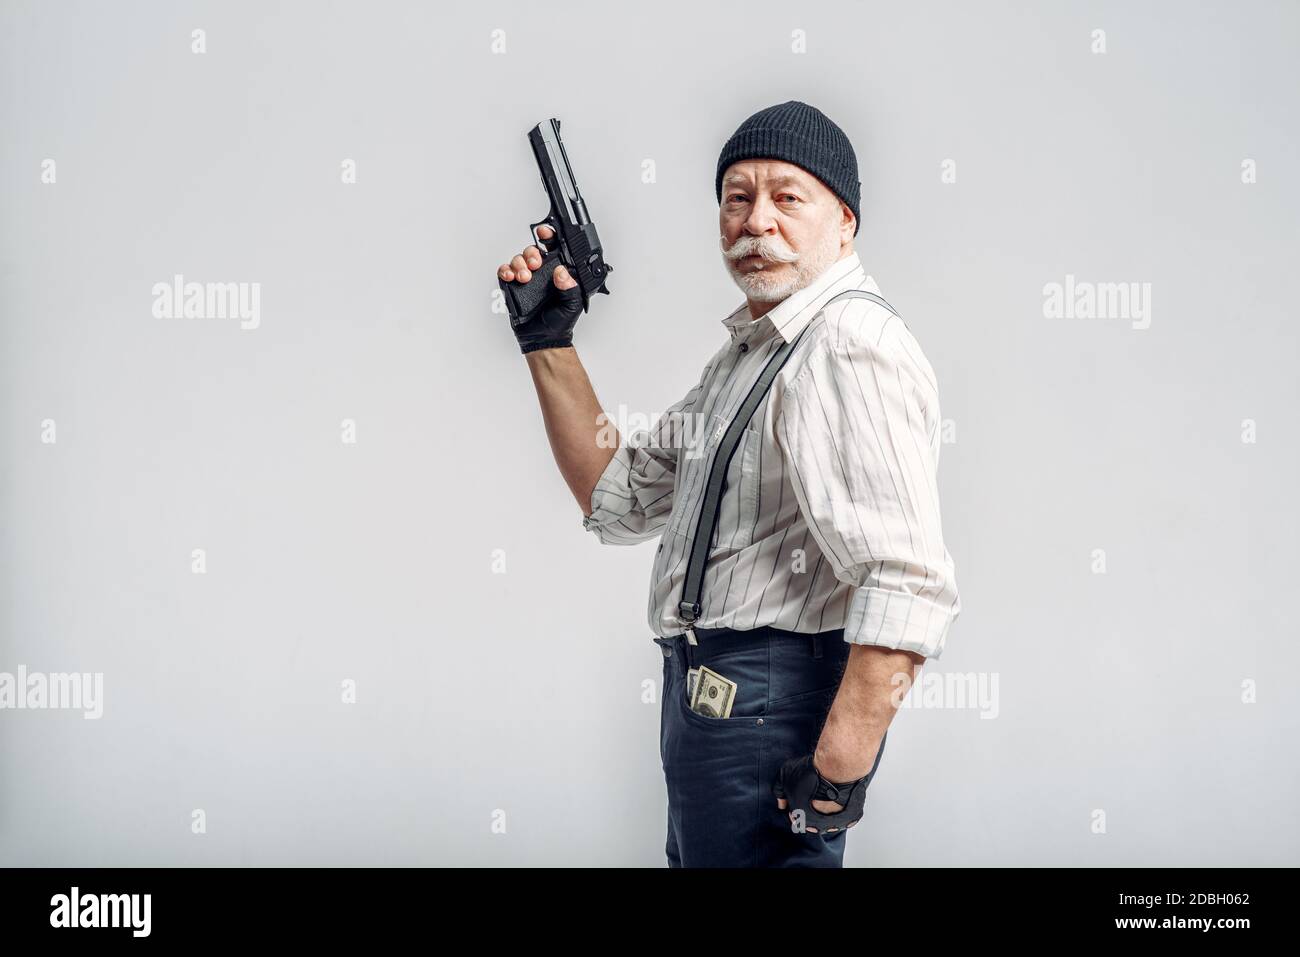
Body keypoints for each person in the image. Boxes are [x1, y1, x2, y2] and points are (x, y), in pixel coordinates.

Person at [496, 100, 961, 867]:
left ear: (844, 222)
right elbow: (621, 497)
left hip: (770, 703)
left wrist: (839, 769)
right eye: (737, 197)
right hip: (708, 704)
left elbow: (906, 581)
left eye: (787, 196)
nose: (756, 220)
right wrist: (548, 340)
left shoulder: (844, 344)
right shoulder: (754, 352)